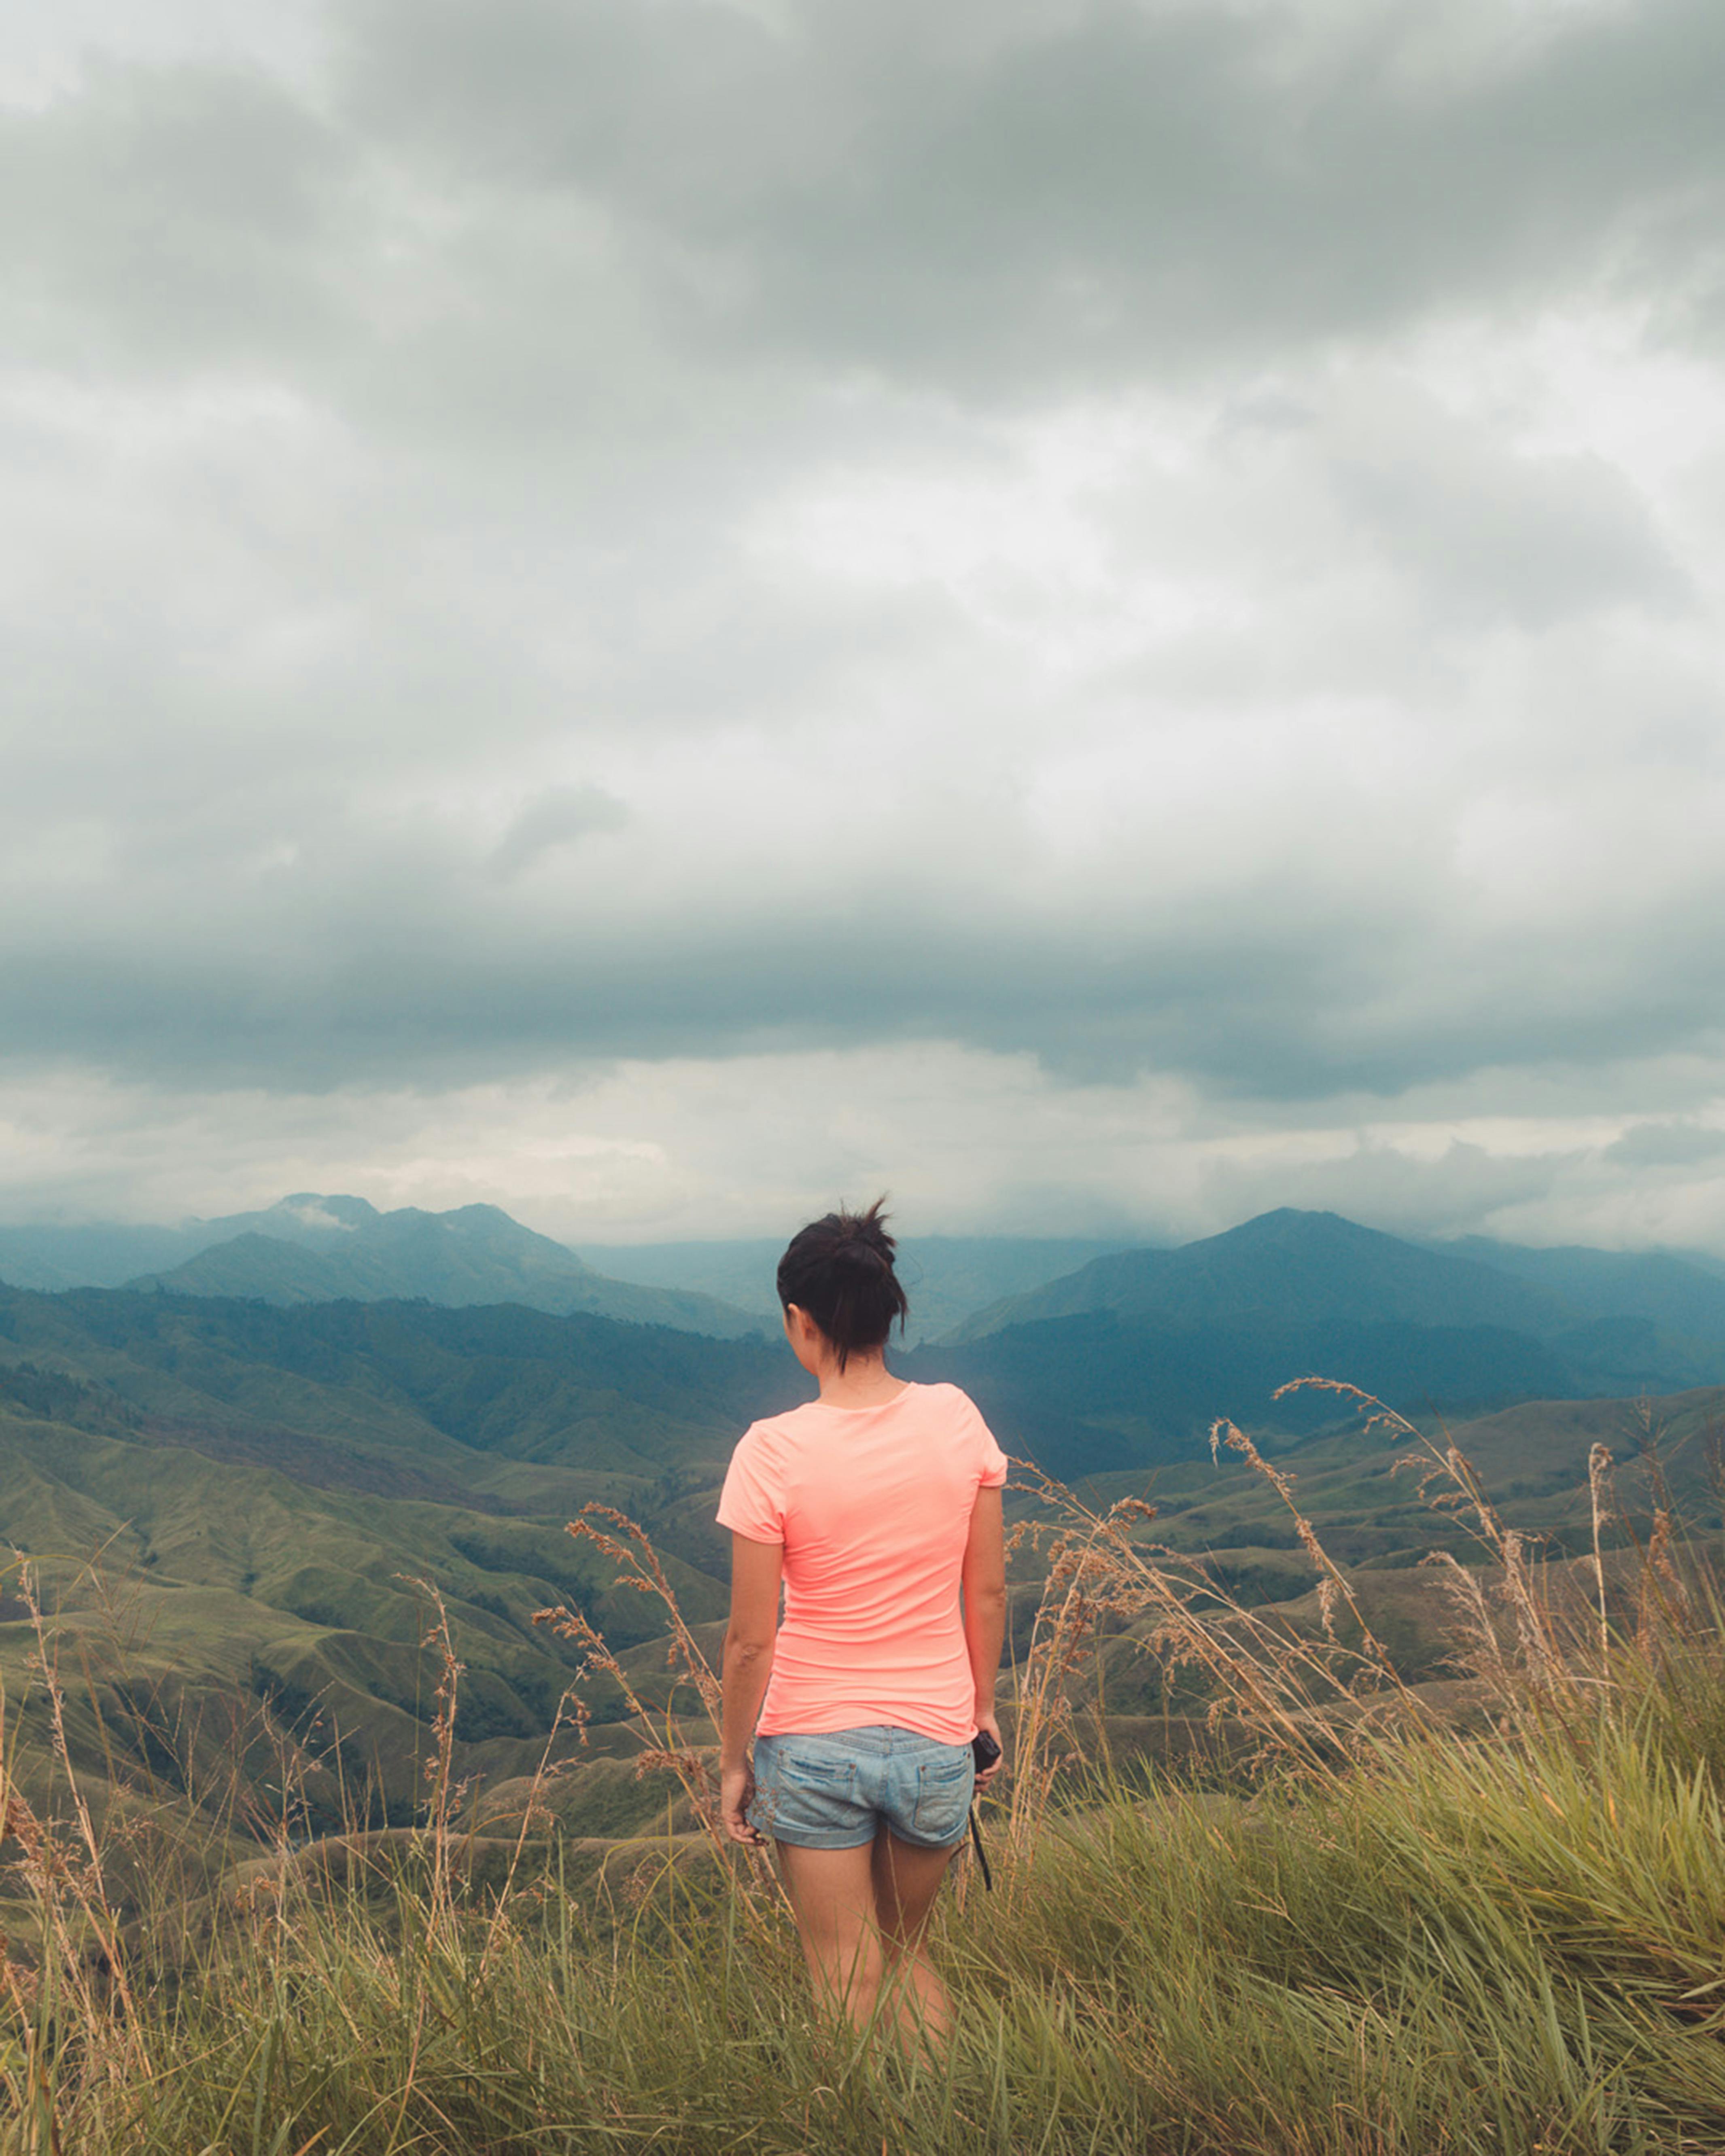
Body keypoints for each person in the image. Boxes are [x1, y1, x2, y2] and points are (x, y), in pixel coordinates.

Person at [717, 1200, 1009, 2047]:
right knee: (905, 1950)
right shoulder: (957, 1418)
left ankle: (864, 2129)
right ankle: (943, 2120)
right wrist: (979, 1713)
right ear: (889, 1315)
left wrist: (733, 1762)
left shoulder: (769, 1450)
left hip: (809, 1743)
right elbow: (985, 1592)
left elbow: (750, 1639)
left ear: (797, 1322)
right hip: (932, 1740)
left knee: (842, 1970)